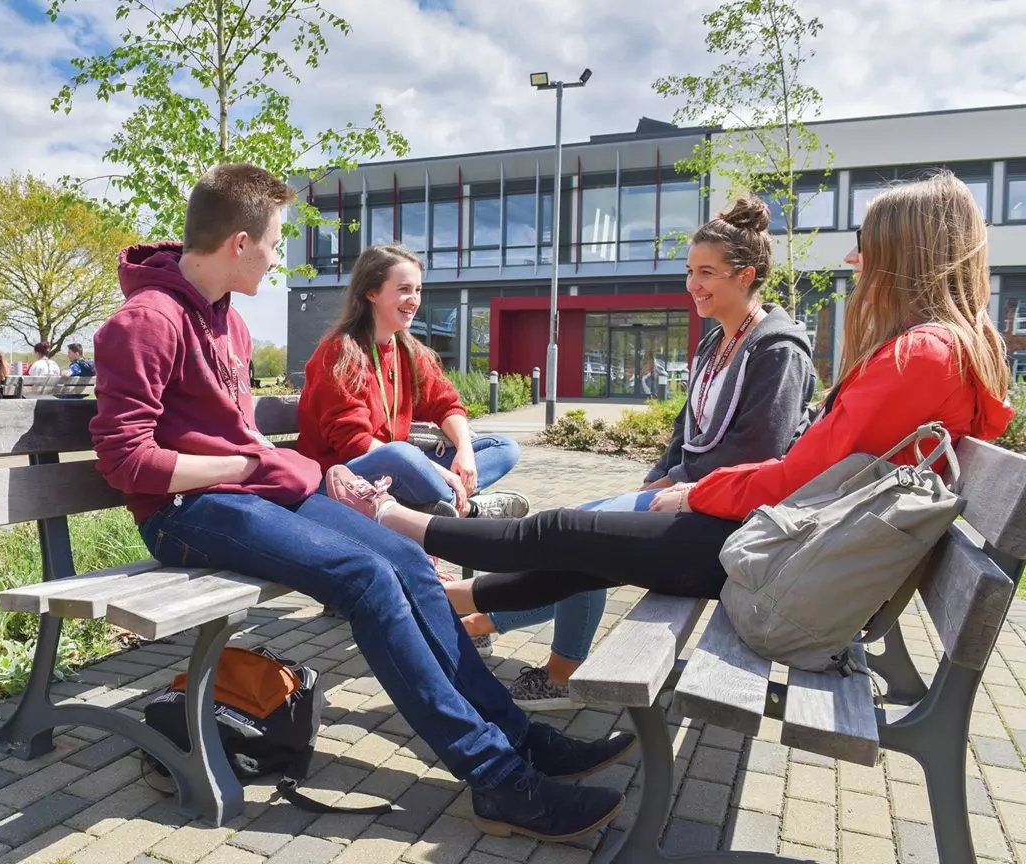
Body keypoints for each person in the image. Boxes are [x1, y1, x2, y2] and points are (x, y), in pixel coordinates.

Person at [89, 162, 633, 842]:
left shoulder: (227, 323)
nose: (279, 257)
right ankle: (497, 777)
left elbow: (246, 439)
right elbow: (125, 462)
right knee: (366, 579)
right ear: (239, 242)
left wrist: (318, 476)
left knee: (405, 560)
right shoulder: (145, 321)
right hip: (184, 516)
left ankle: (518, 734)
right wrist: (255, 462)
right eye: (276, 240)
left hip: (252, 495)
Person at [323, 170, 1013, 624]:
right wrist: (680, 481)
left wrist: (694, 493)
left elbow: (796, 473)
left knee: (571, 530)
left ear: (901, 252)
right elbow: (809, 467)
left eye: (864, 244)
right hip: (802, 543)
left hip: (778, 554)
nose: (852, 260)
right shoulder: (952, 350)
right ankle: (453, 595)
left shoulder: (919, 354)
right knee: (583, 536)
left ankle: (395, 523)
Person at [464, 196, 818, 710]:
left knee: (581, 537)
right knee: (582, 529)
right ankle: (486, 623)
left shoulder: (777, 350)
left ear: (747, 276)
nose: (693, 284)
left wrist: (684, 488)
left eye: (707, 273)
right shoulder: (714, 341)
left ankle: (544, 662)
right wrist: (659, 474)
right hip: (684, 496)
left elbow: (757, 451)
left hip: (723, 515)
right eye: (690, 271)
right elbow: (686, 426)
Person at [296, 244, 529, 520]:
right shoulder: (339, 352)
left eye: (418, 290)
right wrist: (436, 470)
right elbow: (353, 442)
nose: (414, 300)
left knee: (503, 448)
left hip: (402, 469)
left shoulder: (407, 350)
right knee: (402, 455)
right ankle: (467, 509)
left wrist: (465, 454)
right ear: (371, 292)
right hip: (345, 477)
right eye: (404, 289)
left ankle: (437, 504)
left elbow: (446, 404)